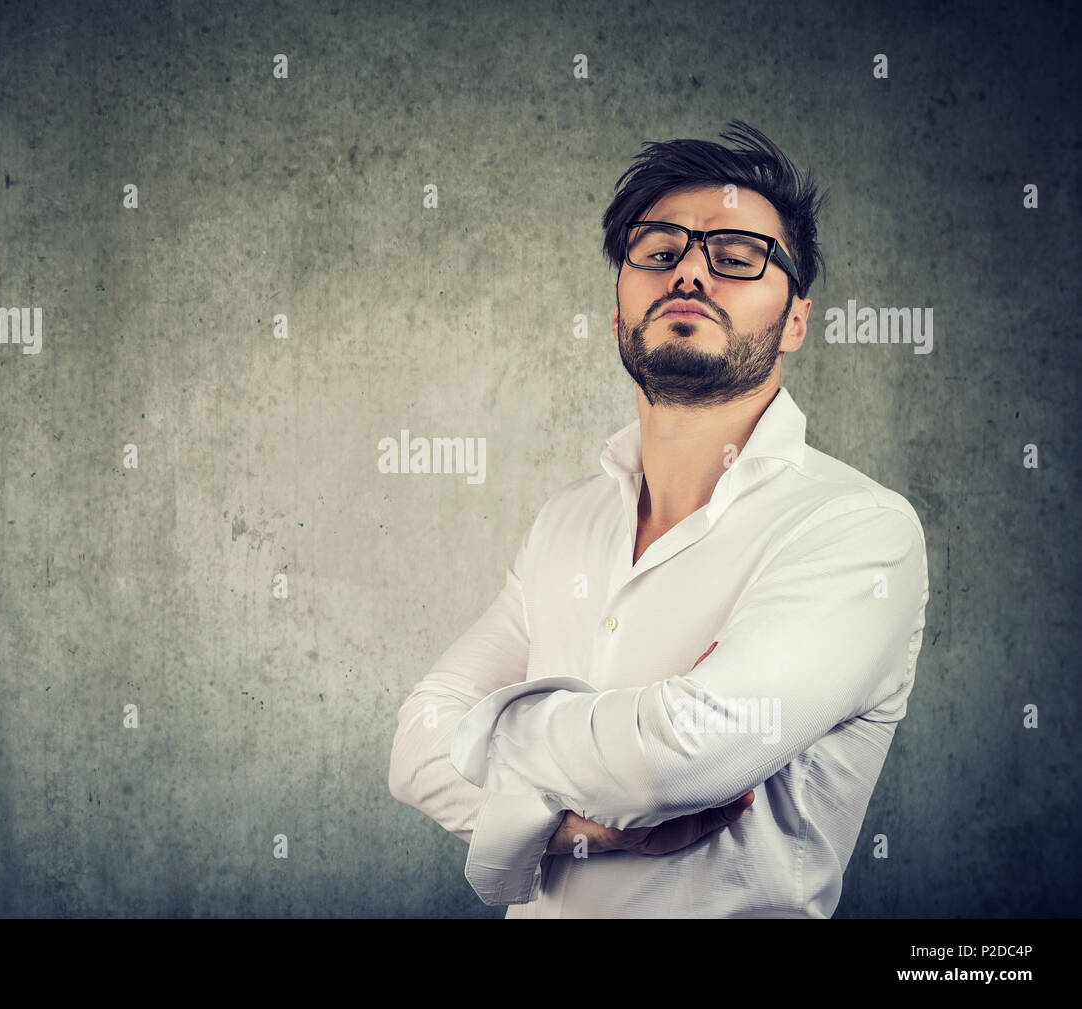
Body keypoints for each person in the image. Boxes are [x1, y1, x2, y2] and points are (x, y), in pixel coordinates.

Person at [387, 121, 929, 917]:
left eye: (738, 256)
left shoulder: (858, 528)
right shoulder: (564, 521)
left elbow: (674, 763)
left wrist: (497, 728)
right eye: (659, 251)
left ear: (797, 320)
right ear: (617, 311)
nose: (692, 271)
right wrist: (578, 829)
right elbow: (414, 749)